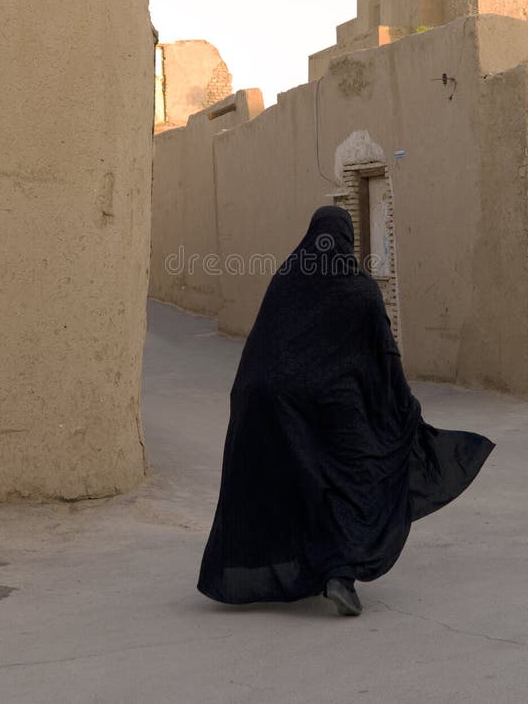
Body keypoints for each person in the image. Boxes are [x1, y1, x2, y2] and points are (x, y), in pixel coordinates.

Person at [197, 206, 494, 616]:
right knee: (350, 481)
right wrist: (403, 405)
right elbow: (384, 354)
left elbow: (264, 344)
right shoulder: (359, 289)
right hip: (336, 405)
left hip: (269, 400)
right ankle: (339, 573)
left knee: (293, 479)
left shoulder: (286, 278)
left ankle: (274, 569)